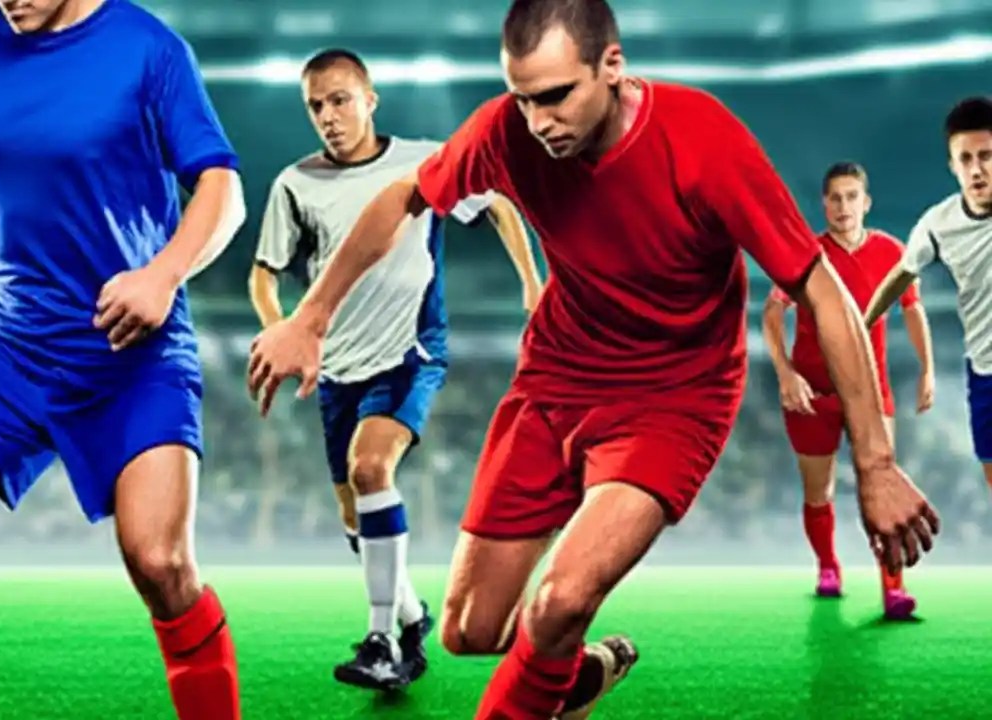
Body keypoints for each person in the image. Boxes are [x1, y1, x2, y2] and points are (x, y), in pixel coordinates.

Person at [246, 1, 940, 717]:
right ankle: (578, 672)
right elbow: (404, 196)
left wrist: (877, 464)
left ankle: (554, 653)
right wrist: (313, 314)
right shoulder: (505, 134)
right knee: (468, 630)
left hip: (675, 397)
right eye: (522, 98)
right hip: (556, 379)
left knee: (558, 602)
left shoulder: (702, 140)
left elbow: (822, 293)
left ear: (613, 67)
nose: (539, 120)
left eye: (555, 96)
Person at [0, 2, 245, 719]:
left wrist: (163, 275)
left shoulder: (147, 48)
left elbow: (222, 189)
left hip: (131, 351)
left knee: (161, 564)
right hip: (14, 343)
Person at [250, 47, 543, 691]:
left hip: (409, 350)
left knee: (370, 466)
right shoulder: (294, 184)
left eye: (340, 100)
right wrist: (280, 324)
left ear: (370, 98)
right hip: (335, 366)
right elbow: (264, 273)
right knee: (357, 519)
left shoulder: (423, 162)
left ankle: (381, 638)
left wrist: (530, 280)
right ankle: (410, 621)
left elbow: (495, 203)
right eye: (316, 106)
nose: (328, 116)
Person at [762, 161, 933, 619]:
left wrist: (928, 370)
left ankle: (893, 589)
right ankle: (828, 566)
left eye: (851, 196)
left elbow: (913, 311)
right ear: (824, 203)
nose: (843, 206)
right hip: (812, 394)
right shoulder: (804, 254)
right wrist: (785, 373)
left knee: (878, 485)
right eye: (835, 198)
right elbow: (772, 313)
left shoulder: (891, 253)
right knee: (819, 492)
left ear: (866, 202)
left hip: (872, 393)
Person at [865, 96, 992, 489]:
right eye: (966, 159)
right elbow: (901, 276)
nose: (977, 169)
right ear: (952, 167)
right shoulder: (939, 224)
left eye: (986, 155)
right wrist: (860, 325)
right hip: (985, 369)